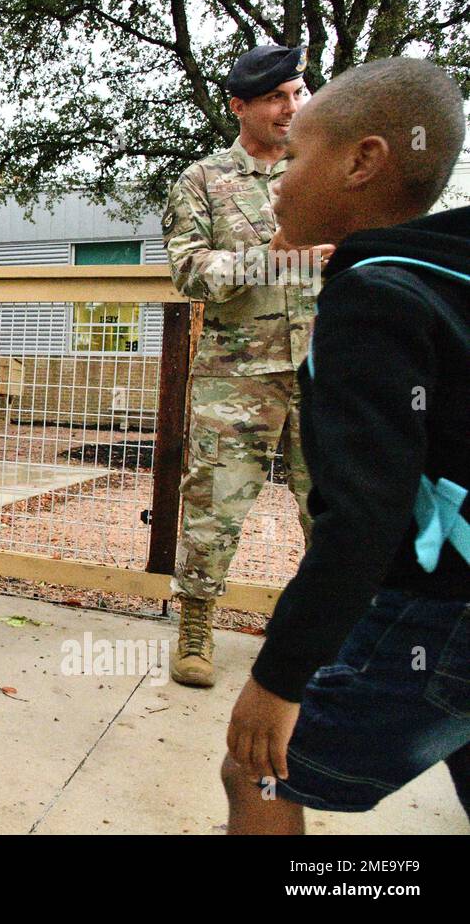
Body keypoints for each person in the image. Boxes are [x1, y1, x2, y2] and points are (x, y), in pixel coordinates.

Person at [222, 57, 469, 832]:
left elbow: (364, 518)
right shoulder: (448, 275)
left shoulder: (373, 296)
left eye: (295, 160)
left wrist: (278, 676)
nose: (281, 183)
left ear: (362, 161)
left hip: (440, 608)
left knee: (258, 773)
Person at [162, 44, 332, 687]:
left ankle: (324, 637)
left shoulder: (323, 170)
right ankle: (198, 627)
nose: (293, 107)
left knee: (332, 507)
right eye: (276, 97)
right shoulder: (203, 180)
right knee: (214, 505)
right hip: (237, 375)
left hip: (326, 372)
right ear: (240, 106)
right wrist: (280, 259)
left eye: (300, 92)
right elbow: (188, 270)